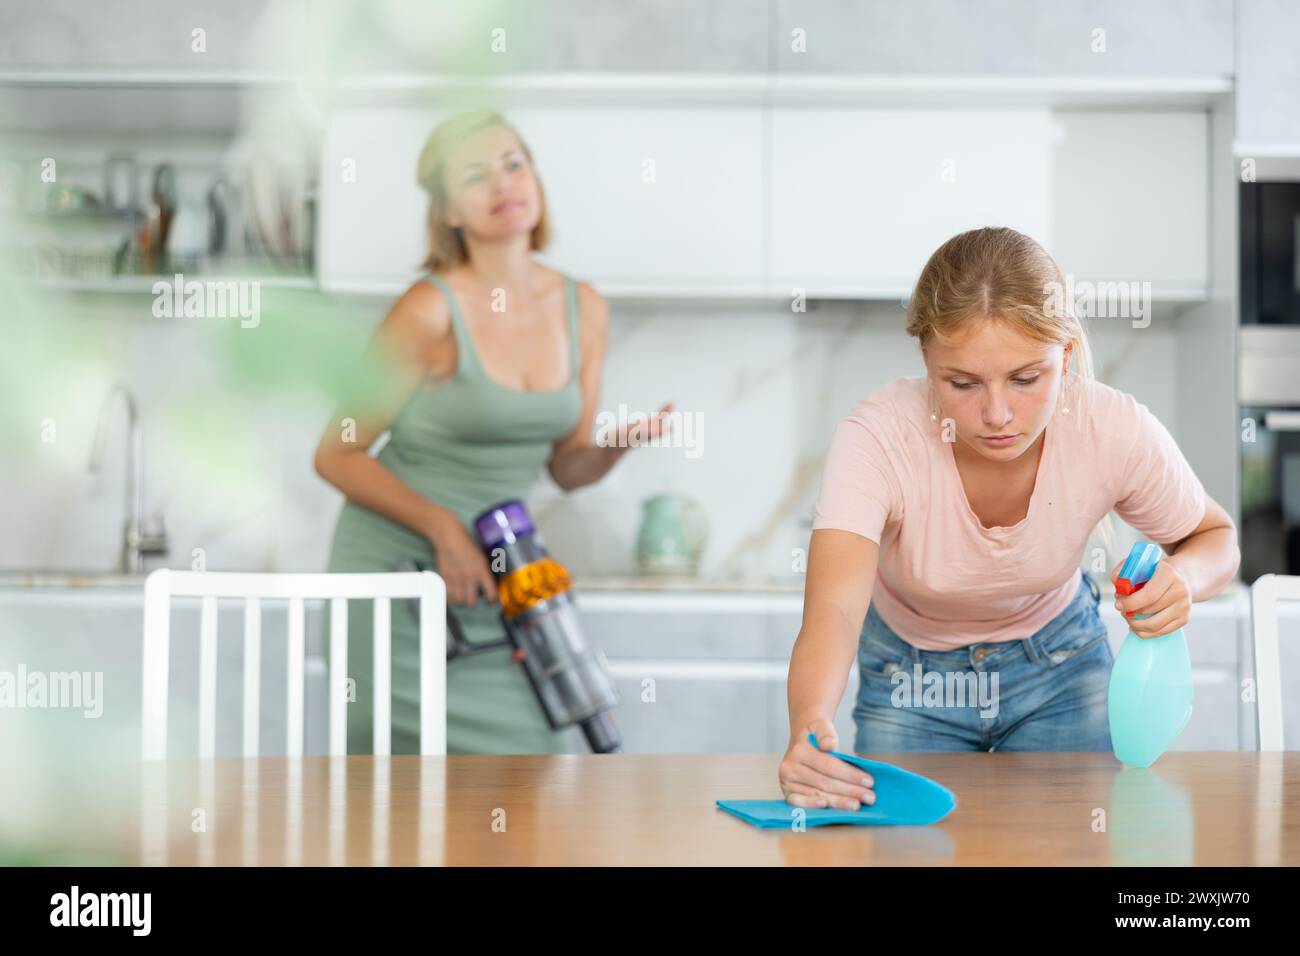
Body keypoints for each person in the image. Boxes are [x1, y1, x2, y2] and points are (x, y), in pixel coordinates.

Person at [780, 226, 1240, 809]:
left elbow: (1215, 539)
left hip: (1063, 672)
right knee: (907, 852)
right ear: (927, 360)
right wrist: (809, 725)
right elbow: (834, 608)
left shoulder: (1112, 428)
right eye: (962, 383)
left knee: (1074, 843)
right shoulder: (877, 436)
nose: (997, 415)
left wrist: (1186, 580)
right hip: (910, 679)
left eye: (1026, 379)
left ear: (1065, 355)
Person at [314, 108, 670, 754]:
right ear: (447, 210)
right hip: (399, 581)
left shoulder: (582, 307)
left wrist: (614, 447)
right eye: (476, 175)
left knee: (539, 765)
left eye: (514, 163)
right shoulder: (428, 311)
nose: (504, 183)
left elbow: (566, 468)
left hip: (500, 581)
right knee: (401, 802)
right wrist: (443, 529)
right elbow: (335, 452)